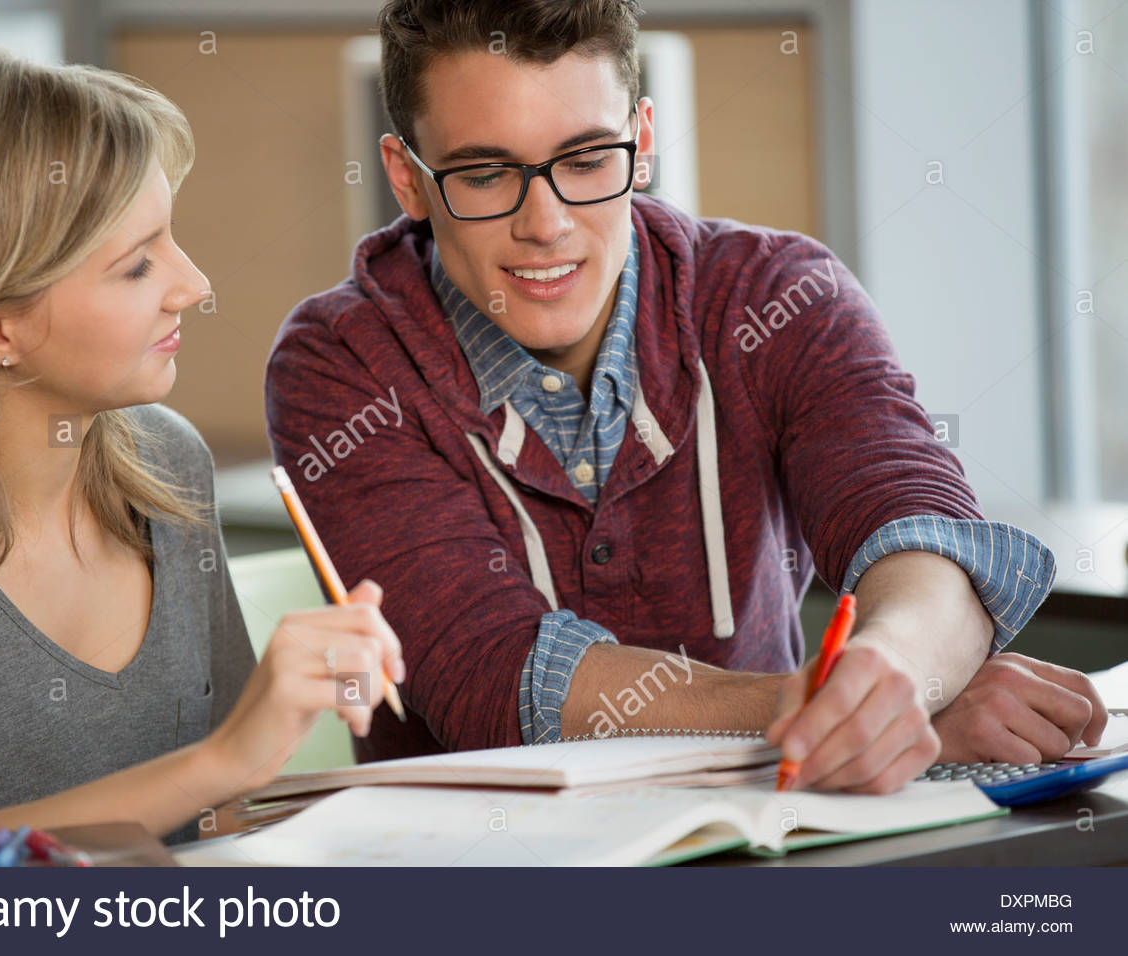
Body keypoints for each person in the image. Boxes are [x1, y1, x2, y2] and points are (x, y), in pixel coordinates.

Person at [265, 0, 1107, 791]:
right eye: (485, 174)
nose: (547, 223)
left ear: (644, 138)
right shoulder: (339, 365)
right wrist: (804, 711)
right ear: (406, 180)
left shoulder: (779, 297)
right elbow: (488, 674)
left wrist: (891, 675)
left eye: (588, 159)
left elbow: (916, 526)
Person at [0, 49, 404, 866]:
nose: (193, 285)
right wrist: (217, 763)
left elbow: (222, 823)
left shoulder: (168, 465)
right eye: (136, 264)